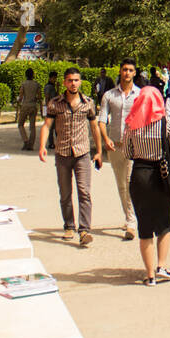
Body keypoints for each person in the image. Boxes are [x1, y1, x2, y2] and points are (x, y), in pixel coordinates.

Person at [123, 86, 170, 284]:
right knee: (164, 222)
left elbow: (127, 153)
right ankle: (162, 265)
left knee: (145, 225)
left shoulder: (131, 124)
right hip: (161, 174)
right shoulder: (164, 123)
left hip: (140, 174)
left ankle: (149, 275)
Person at [38, 67, 102, 247]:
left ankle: (84, 230)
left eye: (76, 80)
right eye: (69, 80)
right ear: (64, 82)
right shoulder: (55, 104)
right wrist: (42, 146)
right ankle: (69, 225)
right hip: (63, 153)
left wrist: (99, 151)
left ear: (80, 82)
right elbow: (46, 126)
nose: (73, 83)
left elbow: (95, 127)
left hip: (82, 153)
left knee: (84, 192)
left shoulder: (87, 103)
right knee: (65, 193)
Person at [96, 58, 141, 241]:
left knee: (130, 182)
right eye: (124, 70)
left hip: (133, 145)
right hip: (114, 145)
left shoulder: (140, 95)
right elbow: (101, 119)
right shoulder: (109, 95)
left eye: (130, 70)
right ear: (120, 72)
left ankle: (131, 221)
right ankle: (129, 216)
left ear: (135, 73)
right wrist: (105, 139)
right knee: (121, 184)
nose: (127, 73)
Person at [16, 67, 43, 150]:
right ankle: (31, 145)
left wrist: (18, 101)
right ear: (33, 75)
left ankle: (25, 140)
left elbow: (20, 96)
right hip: (33, 106)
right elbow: (39, 97)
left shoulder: (23, 84)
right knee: (32, 126)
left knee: (20, 124)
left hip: (25, 105)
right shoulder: (37, 84)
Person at [43, 71, 59, 149]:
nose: (55, 80)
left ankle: (57, 142)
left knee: (56, 126)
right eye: (54, 78)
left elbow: (57, 97)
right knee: (51, 127)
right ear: (50, 78)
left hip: (54, 107)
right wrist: (47, 108)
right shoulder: (48, 87)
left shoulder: (53, 86)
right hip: (50, 108)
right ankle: (51, 143)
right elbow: (47, 97)